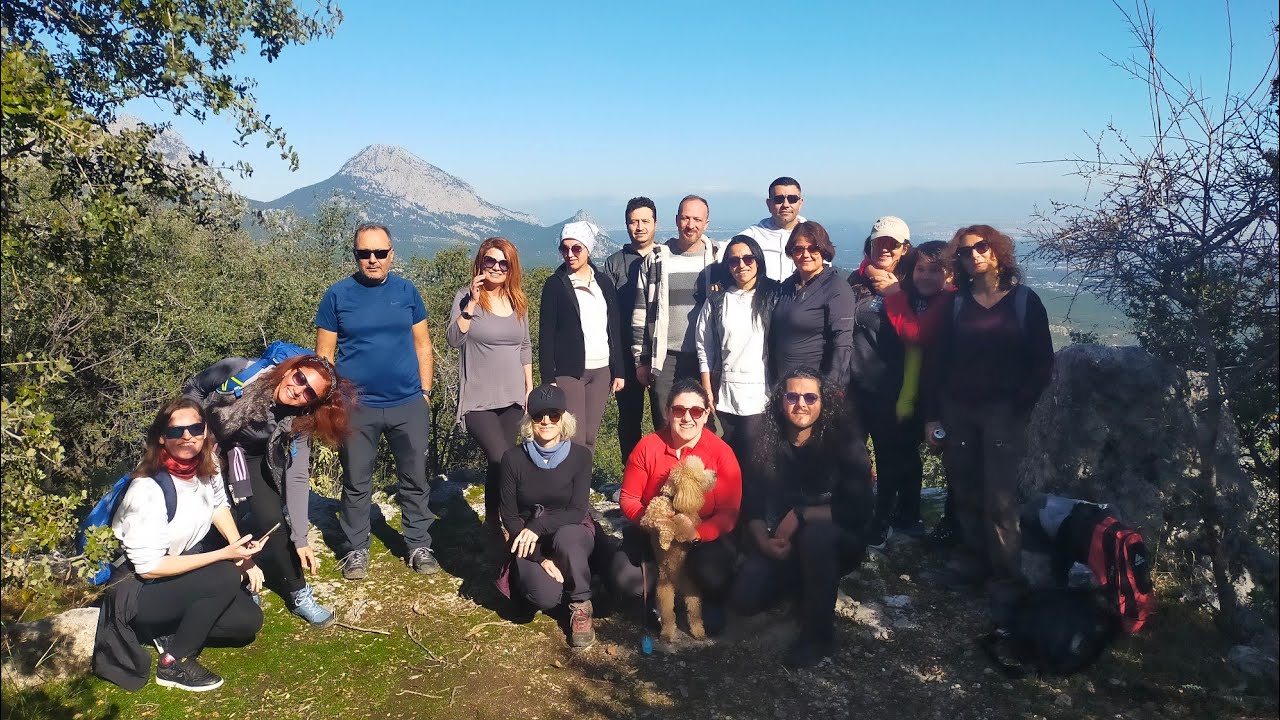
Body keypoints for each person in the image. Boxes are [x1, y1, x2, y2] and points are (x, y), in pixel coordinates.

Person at [922, 224, 1055, 627]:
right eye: (965, 252)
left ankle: (1007, 581)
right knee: (963, 488)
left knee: (1000, 500)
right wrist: (932, 417)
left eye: (982, 248)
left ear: (997, 252)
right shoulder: (957, 306)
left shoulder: (1024, 303)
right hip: (958, 410)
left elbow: (1042, 363)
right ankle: (972, 562)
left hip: (1003, 414)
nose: (974, 255)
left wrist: (1019, 406)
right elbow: (936, 364)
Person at [93, 398, 265, 692]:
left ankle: (165, 631)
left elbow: (217, 507)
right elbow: (148, 568)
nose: (188, 436)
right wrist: (225, 555)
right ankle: (175, 662)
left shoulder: (205, 467)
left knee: (247, 621)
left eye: (195, 428)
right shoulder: (147, 489)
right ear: (161, 437)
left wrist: (241, 551)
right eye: (176, 431)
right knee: (224, 574)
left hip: (174, 575)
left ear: (205, 430)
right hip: (138, 592)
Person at [185, 352, 356, 627]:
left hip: (248, 456)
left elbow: (297, 475)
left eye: (309, 393)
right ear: (291, 369)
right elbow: (195, 388)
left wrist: (301, 538)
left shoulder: (300, 419)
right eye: (300, 378)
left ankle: (298, 592)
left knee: (272, 520)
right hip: (203, 443)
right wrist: (191, 431)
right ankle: (239, 581)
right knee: (209, 517)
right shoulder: (241, 370)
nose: (298, 390)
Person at [315, 222, 438, 580]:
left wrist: (425, 393)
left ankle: (418, 544)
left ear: (391, 255)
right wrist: (330, 403)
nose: (372, 259)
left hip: (408, 402)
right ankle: (356, 550)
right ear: (355, 255)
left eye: (379, 253)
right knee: (356, 479)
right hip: (357, 407)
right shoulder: (337, 296)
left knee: (414, 477)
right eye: (364, 253)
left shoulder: (407, 291)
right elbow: (324, 357)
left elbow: (423, 345)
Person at [730, 368, 873, 667]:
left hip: (837, 539)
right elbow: (752, 505)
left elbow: (858, 509)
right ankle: (802, 588)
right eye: (792, 396)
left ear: (823, 402)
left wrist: (803, 514)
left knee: (815, 536)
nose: (801, 404)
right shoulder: (765, 441)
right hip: (782, 545)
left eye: (810, 397)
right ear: (780, 401)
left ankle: (818, 637)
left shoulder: (844, 441)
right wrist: (764, 543)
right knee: (745, 599)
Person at [610, 379, 742, 631]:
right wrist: (651, 522)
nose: (687, 418)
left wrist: (696, 534)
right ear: (668, 412)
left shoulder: (721, 453)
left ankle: (705, 597)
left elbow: (729, 512)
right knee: (626, 580)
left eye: (696, 411)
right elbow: (628, 498)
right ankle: (659, 600)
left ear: (705, 415)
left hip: (701, 540)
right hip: (655, 536)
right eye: (679, 410)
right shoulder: (648, 446)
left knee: (711, 574)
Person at [496, 385, 597, 648]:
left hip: (570, 532)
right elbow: (509, 515)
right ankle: (557, 579)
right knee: (545, 599)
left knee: (568, 536)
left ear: (563, 418)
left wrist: (538, 525)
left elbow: (577, 510)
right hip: (530, 542)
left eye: (553, 415)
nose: (546, 422)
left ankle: (581, 604)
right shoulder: (512, 459)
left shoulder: (580, 457)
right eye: (540, 416)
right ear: (531, 420)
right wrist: (540, 559)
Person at [448, 238, 534, 529]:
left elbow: (525, 346)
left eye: (503, 263)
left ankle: (495, 524)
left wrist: (529, 388)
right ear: (480, 263)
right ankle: (505, 524)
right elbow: (453, 339)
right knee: (501, 459)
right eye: (490, 261)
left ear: (512, 268)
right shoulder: (464, 297)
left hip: (512, 399)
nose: (496, 268)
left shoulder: (517, 300)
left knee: (504, 464)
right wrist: (471, 303)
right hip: (478, 401)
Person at [882, 241, 956, 543]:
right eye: (920, 269)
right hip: (911, 392)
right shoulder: (916, 299)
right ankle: (908, 516)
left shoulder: (951, 302)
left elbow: (917, 333)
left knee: (953, 465)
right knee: (906, 455)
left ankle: (952, 529)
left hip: (943, 395)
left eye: (935, 270)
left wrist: (893, 297)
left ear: (949, 274)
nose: (925, 276)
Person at [846, 216, 913, 548]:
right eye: (879, 242)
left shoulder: (912, 287)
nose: (885, 248)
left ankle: (883, 518)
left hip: (890, 389)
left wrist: (896, 293)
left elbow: (916, 333)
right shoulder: (853, 281)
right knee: (855, 455)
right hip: (853, 387)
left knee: (889, 456)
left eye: (892, 243)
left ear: (903, 249)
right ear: (869, 244)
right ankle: (858, 513)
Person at [632, 195, 721, 428]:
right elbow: (641, 312)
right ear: (676, 220)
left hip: (706, 358)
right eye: (685, 218)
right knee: (665, 422)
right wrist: (640, 359)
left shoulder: (717, 260)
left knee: (704, 423)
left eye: (697, 219)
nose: (690, 225)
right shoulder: (657, 259)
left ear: (706, 223)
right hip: (665, 358)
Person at [539, 220, 626, 455]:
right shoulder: (555, 285)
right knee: (573, 436)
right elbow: (545, 334)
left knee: (589, 436)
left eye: (576, 248)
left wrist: (619, 371)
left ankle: (582, 487)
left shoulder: (604, 284)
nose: (569, 254)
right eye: (564, 249)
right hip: (569, 371)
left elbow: (613, 328)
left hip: (602, 370)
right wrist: (548, 378)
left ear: (588, 249)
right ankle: (568, 487)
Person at [694, 234, 780, 462]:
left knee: (758, 463)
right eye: (734, 261)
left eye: (748, 259)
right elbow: (705, 346)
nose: (741, 265)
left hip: (762, 394)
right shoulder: (717, 299)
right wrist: (707, 390)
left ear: (758, 260)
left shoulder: (774, 295)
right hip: (725, 395)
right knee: (729, 462)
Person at [603, 197, 660, 464]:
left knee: (665, 416)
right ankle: (632, 475)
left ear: (655, 224)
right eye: (634, 221)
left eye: (645, 221)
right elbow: (608, 316)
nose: (639, 227)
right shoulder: (614, 264)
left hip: (662, 351)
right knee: (629, 419)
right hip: (626, 354)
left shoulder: (665, 259)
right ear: (627, 225)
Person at [768, 221, 855, 388]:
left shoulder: (836, 288)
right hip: (784, 386)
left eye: (813, 248)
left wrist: (830, 389)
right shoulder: (788, 286)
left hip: (813, 389)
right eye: (799, 249)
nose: (805, 254)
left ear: (824, 250)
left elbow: (842, 343)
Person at [736, 177, 808, 282]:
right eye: (779, 199)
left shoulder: (814, 236)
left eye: (792, 199)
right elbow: (723, 254)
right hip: (763, 297)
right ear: (769, 204)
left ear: (800, 203)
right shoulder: (752, 236)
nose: (786, 205)